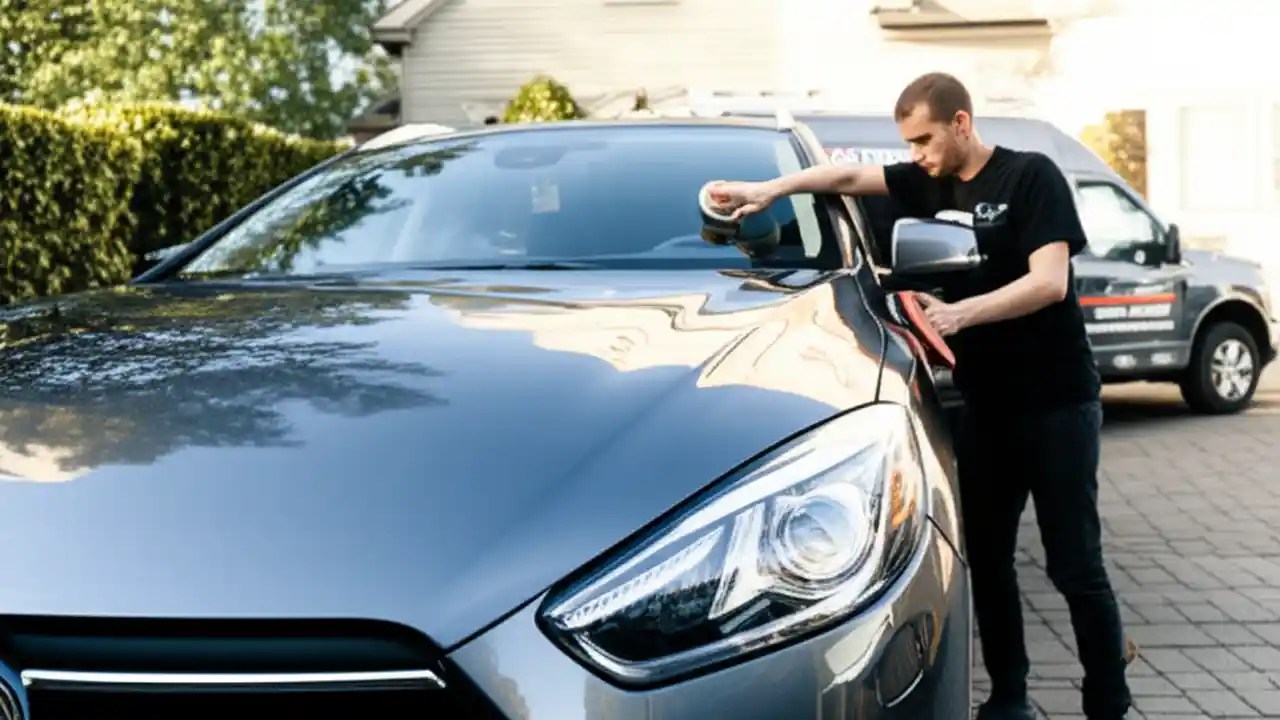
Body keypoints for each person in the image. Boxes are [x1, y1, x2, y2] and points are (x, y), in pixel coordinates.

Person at [706, 72, 1132, 720]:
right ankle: (1009, 697)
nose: (916, 155)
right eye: (908, 143)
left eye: (925, 139)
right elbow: (846, 181)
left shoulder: (1030, 177)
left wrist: (960, 315)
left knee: (1073, 565)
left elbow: (1048, 283)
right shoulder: (931, 180)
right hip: (987, 408)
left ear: (961, 123)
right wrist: (769, 188)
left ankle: (1108, 697)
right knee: (987, 561)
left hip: (1057, 404)